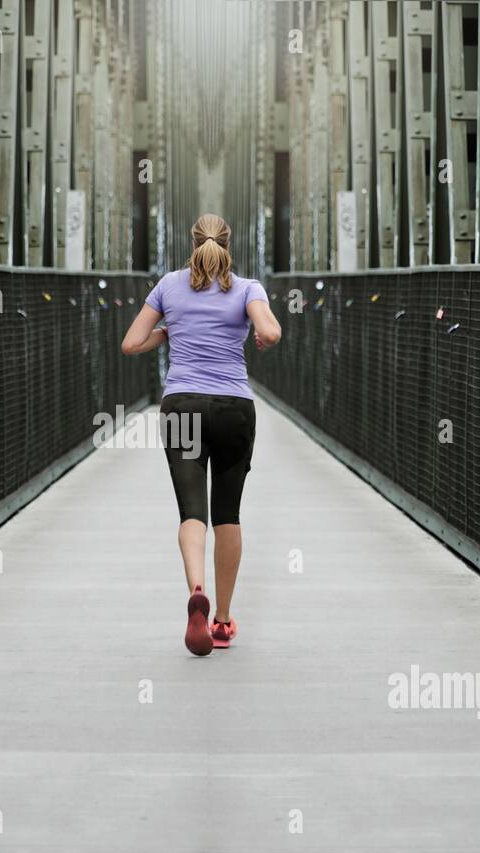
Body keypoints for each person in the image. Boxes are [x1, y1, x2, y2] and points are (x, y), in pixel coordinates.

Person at [120, 213, 283, 656]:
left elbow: (131, 343)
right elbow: (269, 329)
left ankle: (196, 587)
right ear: (229, 245)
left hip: (182, 405)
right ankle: (223, 620)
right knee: (227, 514)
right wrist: (262, 337)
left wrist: (167, 332)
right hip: (233, 408)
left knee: (193, 511)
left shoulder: (169, 286)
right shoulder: (248, 287)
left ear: (191, 243)